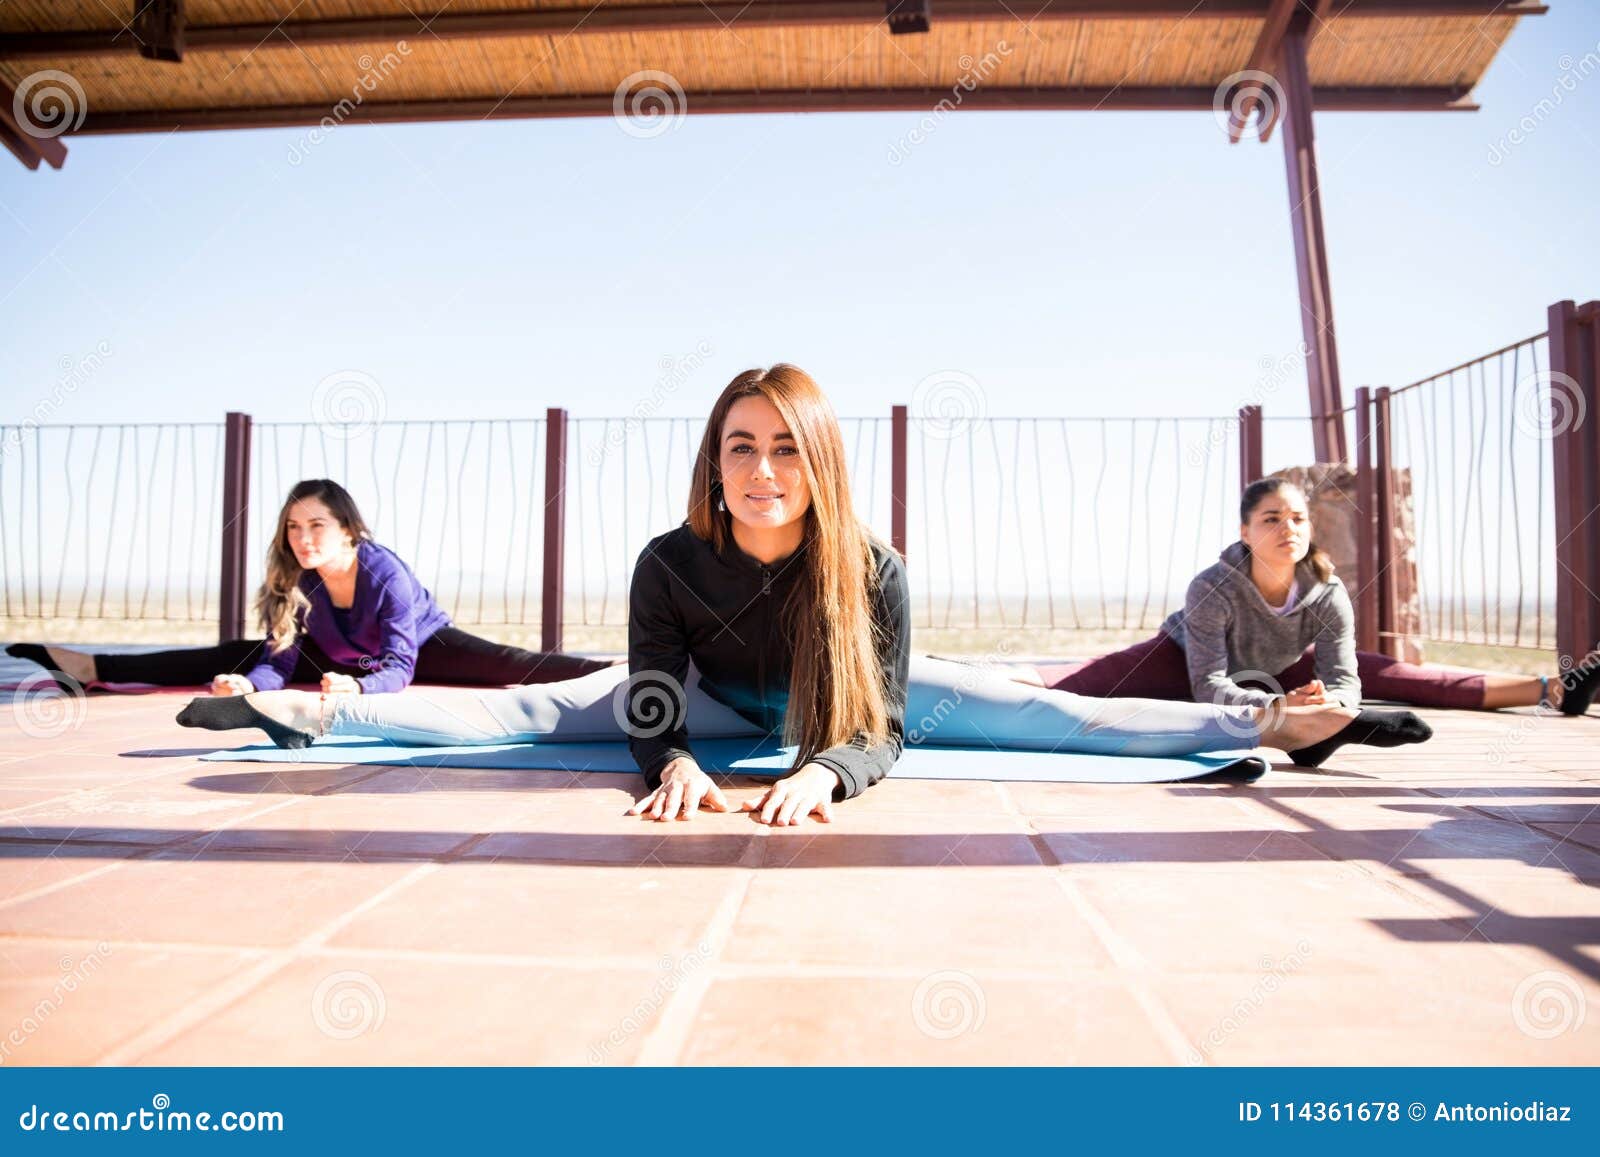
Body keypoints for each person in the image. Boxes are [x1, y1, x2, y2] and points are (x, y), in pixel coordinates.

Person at [173, 370, 1434, 825]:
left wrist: (829, 772)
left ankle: (1273, 728)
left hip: (850, 705)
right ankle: (314, 718)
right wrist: (665, 760)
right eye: (739, 445)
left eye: (786, 446)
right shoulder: (668, 559)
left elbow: (881, 721)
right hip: (716, 707)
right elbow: (652, 689)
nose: (762, 468)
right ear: (712, 460)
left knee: (1046, 712)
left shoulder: (869, 567)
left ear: (816, 460)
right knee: (539, 713)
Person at [1018, 477, 1600, 717]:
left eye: (1296, 518)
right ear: (1245, 532)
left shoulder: (1325, 591)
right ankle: (963, 680)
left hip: (1281, 663)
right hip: (1185, 662)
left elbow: (1345, 679)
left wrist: (1328, 701)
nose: (1287, 529)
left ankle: (1554, 689)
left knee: (1396, 674)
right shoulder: (1212, 587)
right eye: (1270, 519)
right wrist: (1275, 708)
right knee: (1083, 681)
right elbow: (1206, 685)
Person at [7, 479, 613, 697]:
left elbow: (400, 667)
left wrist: (359, 686)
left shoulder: (385, 575)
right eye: (294, 527)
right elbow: (282, 662)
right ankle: (88, 664)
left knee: (517, 666)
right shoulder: (298, 581)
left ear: (348, 529)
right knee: (231, 657)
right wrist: (252, 683)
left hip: (420, 647)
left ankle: (627, 670)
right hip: (341, 659)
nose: (302, 538)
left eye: (316, 525)